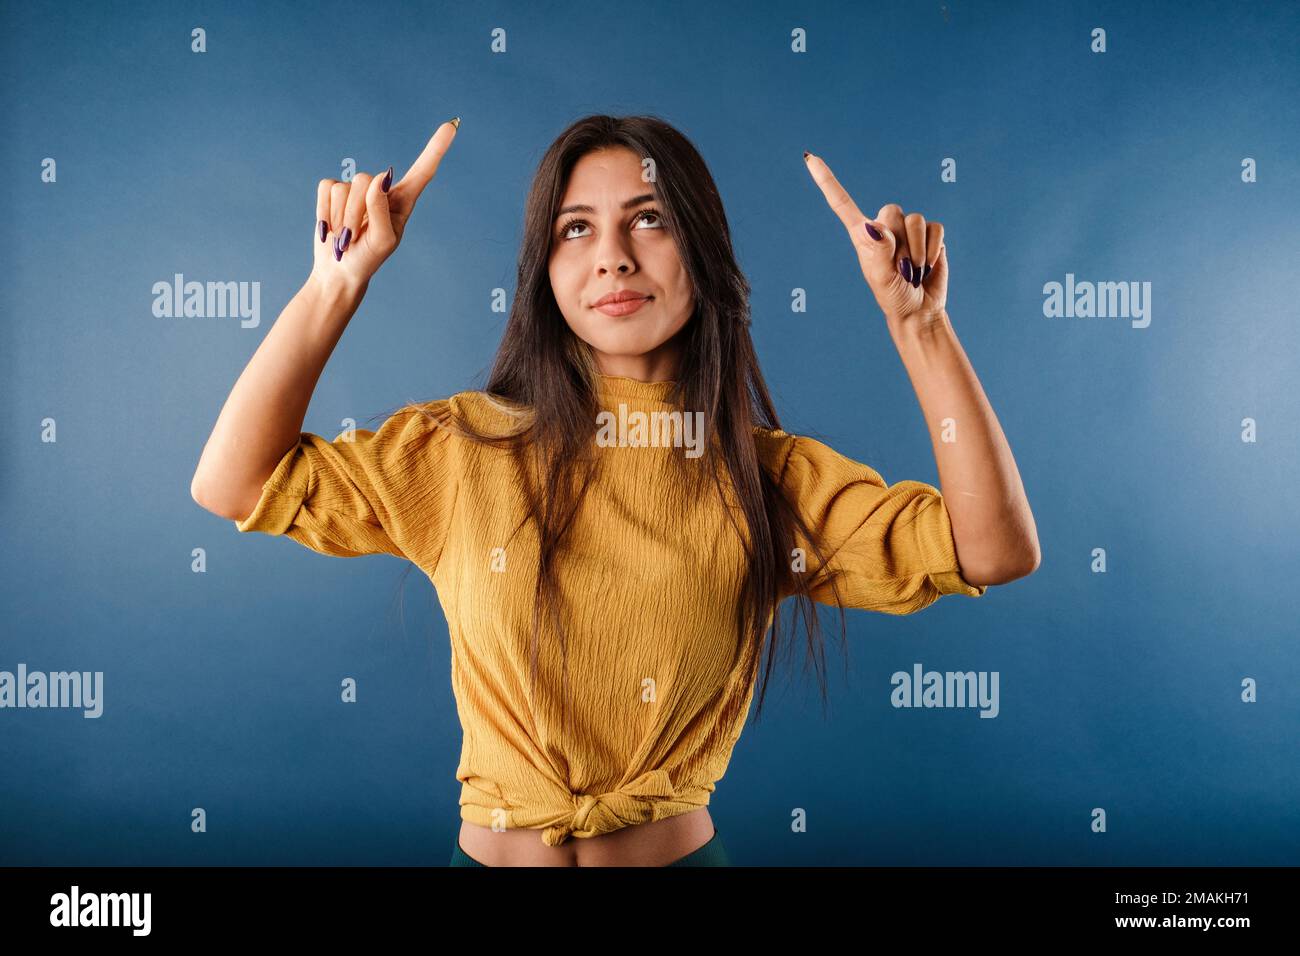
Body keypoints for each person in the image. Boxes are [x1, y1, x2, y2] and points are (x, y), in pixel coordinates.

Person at [190, 114, 1040, 867]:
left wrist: (921, 326)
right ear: (545, 270)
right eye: (575, 229)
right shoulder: (463, 448)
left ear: (702, 255)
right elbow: (234, 482)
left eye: (649, 220)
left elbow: (994, 551)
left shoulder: (764, 476)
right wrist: (338, 280)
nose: (613, 257)